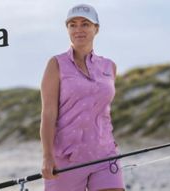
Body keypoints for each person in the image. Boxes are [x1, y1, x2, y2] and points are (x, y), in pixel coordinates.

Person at [40, 4, 125, 191]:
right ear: (67, 29)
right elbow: (48, 113)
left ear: (96, 28)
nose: (78, 29)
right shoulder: (56, 64)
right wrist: (47, 156)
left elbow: (103, 110)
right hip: (66, 158)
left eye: (85, 24)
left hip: (105, 154)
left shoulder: (109, 67)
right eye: (73, 24)